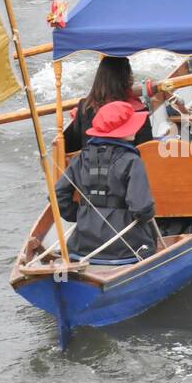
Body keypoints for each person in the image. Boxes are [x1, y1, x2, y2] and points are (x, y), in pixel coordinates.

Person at [55, 100, 158, 262]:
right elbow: (141, 207)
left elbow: (57, 195)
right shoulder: (132, 161)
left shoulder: (78, 159)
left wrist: (79, 216)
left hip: (82, 246)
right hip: (128, 249)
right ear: (121, 131)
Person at [64, 55, 153, 154]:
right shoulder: (140, 111)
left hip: (89, 166)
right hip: (127, 168)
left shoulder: (84, 106)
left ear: (98, 78)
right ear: (128, 80)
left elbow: (74, 146)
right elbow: (147, 149)